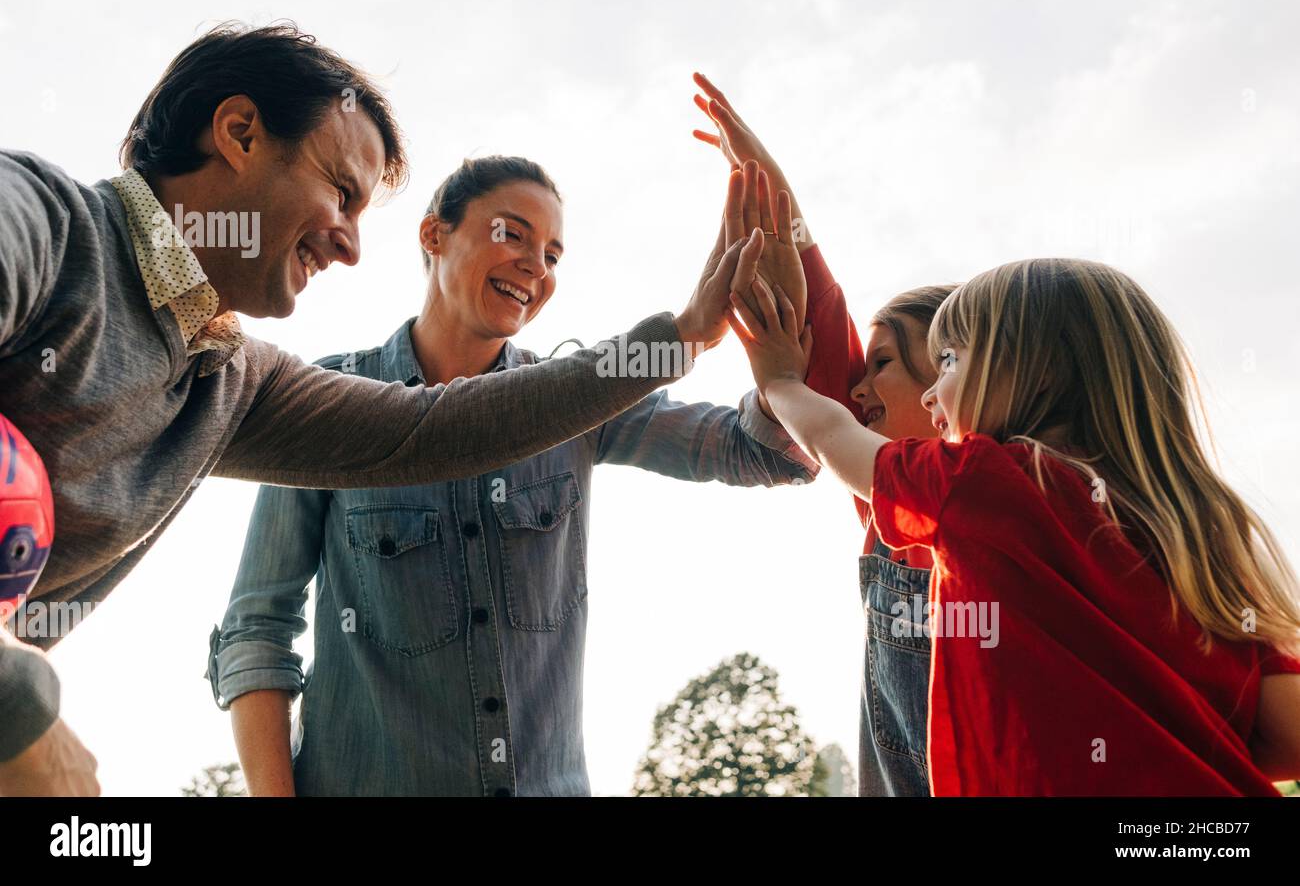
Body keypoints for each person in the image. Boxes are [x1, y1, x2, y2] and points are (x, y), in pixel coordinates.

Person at [0, 25, 761, 795]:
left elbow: (428, 429)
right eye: (340, 191)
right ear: (238, 134)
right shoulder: (44, 225)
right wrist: (20, 705)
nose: (351, 246)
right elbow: (256, 627)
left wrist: (685, 337)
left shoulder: (230, 383)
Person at [209, 154, 817, 795]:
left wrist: (780, 362)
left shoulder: (580, 404)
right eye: (512, 233)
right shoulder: (326, 399)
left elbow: (758, 453)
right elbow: (257, 626)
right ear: (433, 235)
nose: (537, 265)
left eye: (554, 254)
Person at [728, 254, 1300, 793]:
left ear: (1039, 371)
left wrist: (780, 384)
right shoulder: (1205, 526)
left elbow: (836, 438)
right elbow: (1283, 734)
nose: (932, 392)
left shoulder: (988, 482)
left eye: (949, 360)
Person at [691, 74, 954, 794]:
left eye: (885, 365)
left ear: (950, 385)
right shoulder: (889, 509)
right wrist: (774, 194)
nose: (858, 387)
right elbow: (819, 322)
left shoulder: (988, 499)